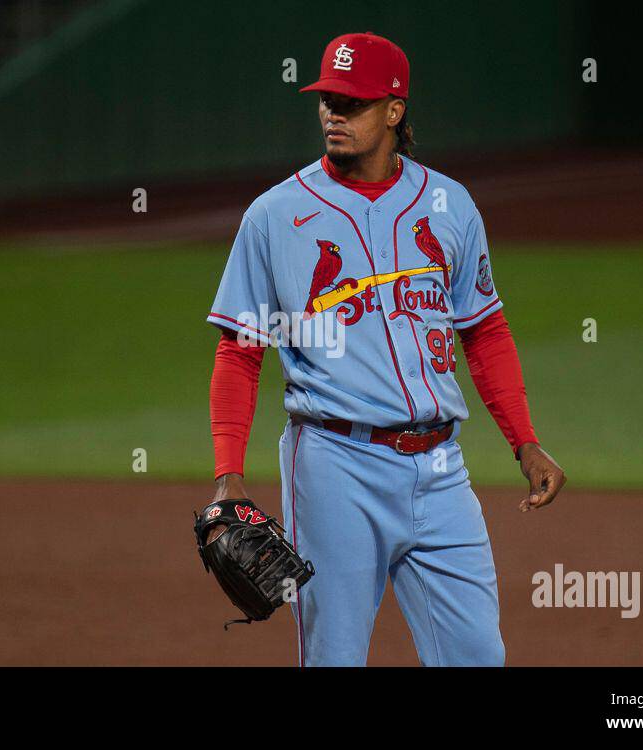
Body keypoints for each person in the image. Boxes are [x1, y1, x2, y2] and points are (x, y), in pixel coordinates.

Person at [206, 31, 565, 666]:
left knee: (479, 656)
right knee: (335, 657)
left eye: (351, 103)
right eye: (326, 101)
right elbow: (239, 351)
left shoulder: (449, 204)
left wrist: (524, 438)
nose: (332, 115)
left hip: (441, 470)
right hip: (335, 465)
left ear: (394, 111)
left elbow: (483, 329)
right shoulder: (274, 215)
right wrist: (228, 478)